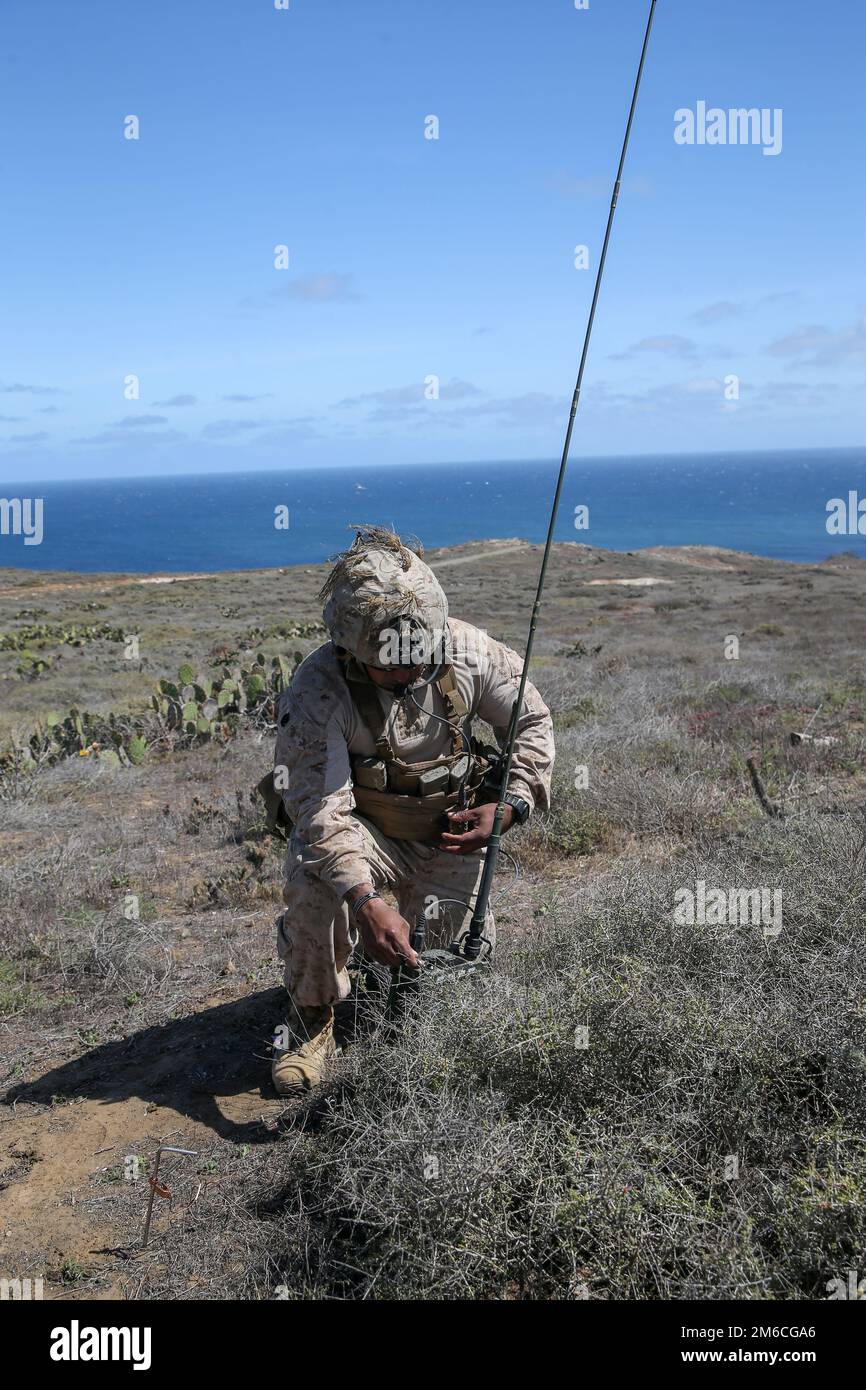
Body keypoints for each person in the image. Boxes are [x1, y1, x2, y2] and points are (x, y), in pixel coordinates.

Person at [270, 526, 554, 1094]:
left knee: (443, 987)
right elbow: (322, 810)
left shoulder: (471, 653)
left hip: (451, 834)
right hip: (367, 834)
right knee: (314, 876)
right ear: (352, 650)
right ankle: (314, 1016)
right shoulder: (318, 691)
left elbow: (531, 721)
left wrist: (511, 805)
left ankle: (405, 989)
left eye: (420, 661)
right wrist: (366, 900)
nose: (409, 675)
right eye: (391, 667)